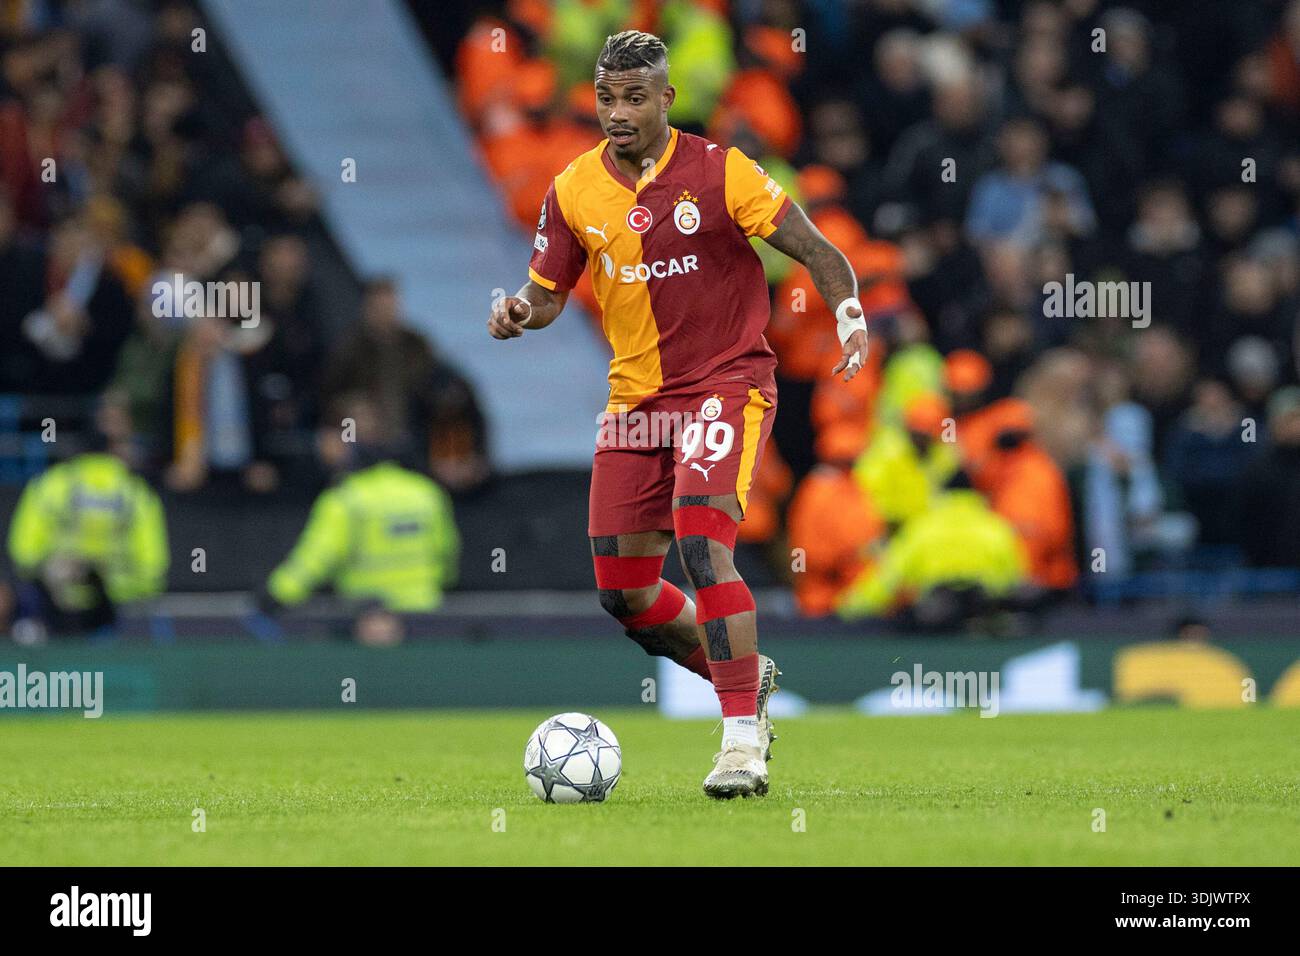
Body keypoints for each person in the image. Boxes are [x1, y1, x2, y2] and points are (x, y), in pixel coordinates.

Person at [487, 30, 869, 799]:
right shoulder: (572, 190)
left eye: (634, 98)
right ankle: (743, 672)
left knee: (701, 544)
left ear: (666, 98)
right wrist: (518, 312)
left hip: (726, 385)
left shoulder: (722, 173)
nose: (617, 113)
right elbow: (550, 291)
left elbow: (819, 250)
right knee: (624, 591)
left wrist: (851, 316)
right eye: (605, 98)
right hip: (636, 404)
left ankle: (739, 745)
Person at [262, 397, 460, 628]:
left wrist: (273, 597)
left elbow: (314, 561)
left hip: (366, 623)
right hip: (426, 618)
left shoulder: (345, 499)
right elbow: (447, 558)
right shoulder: (425, 492)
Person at [6, 403, 169, 641]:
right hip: (120, 615)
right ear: (112, 449)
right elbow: (154, 568)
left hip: (57, 607)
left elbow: (23, 553)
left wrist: (58, 571)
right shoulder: (136, 493)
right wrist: (112, 581)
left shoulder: (48, 485)